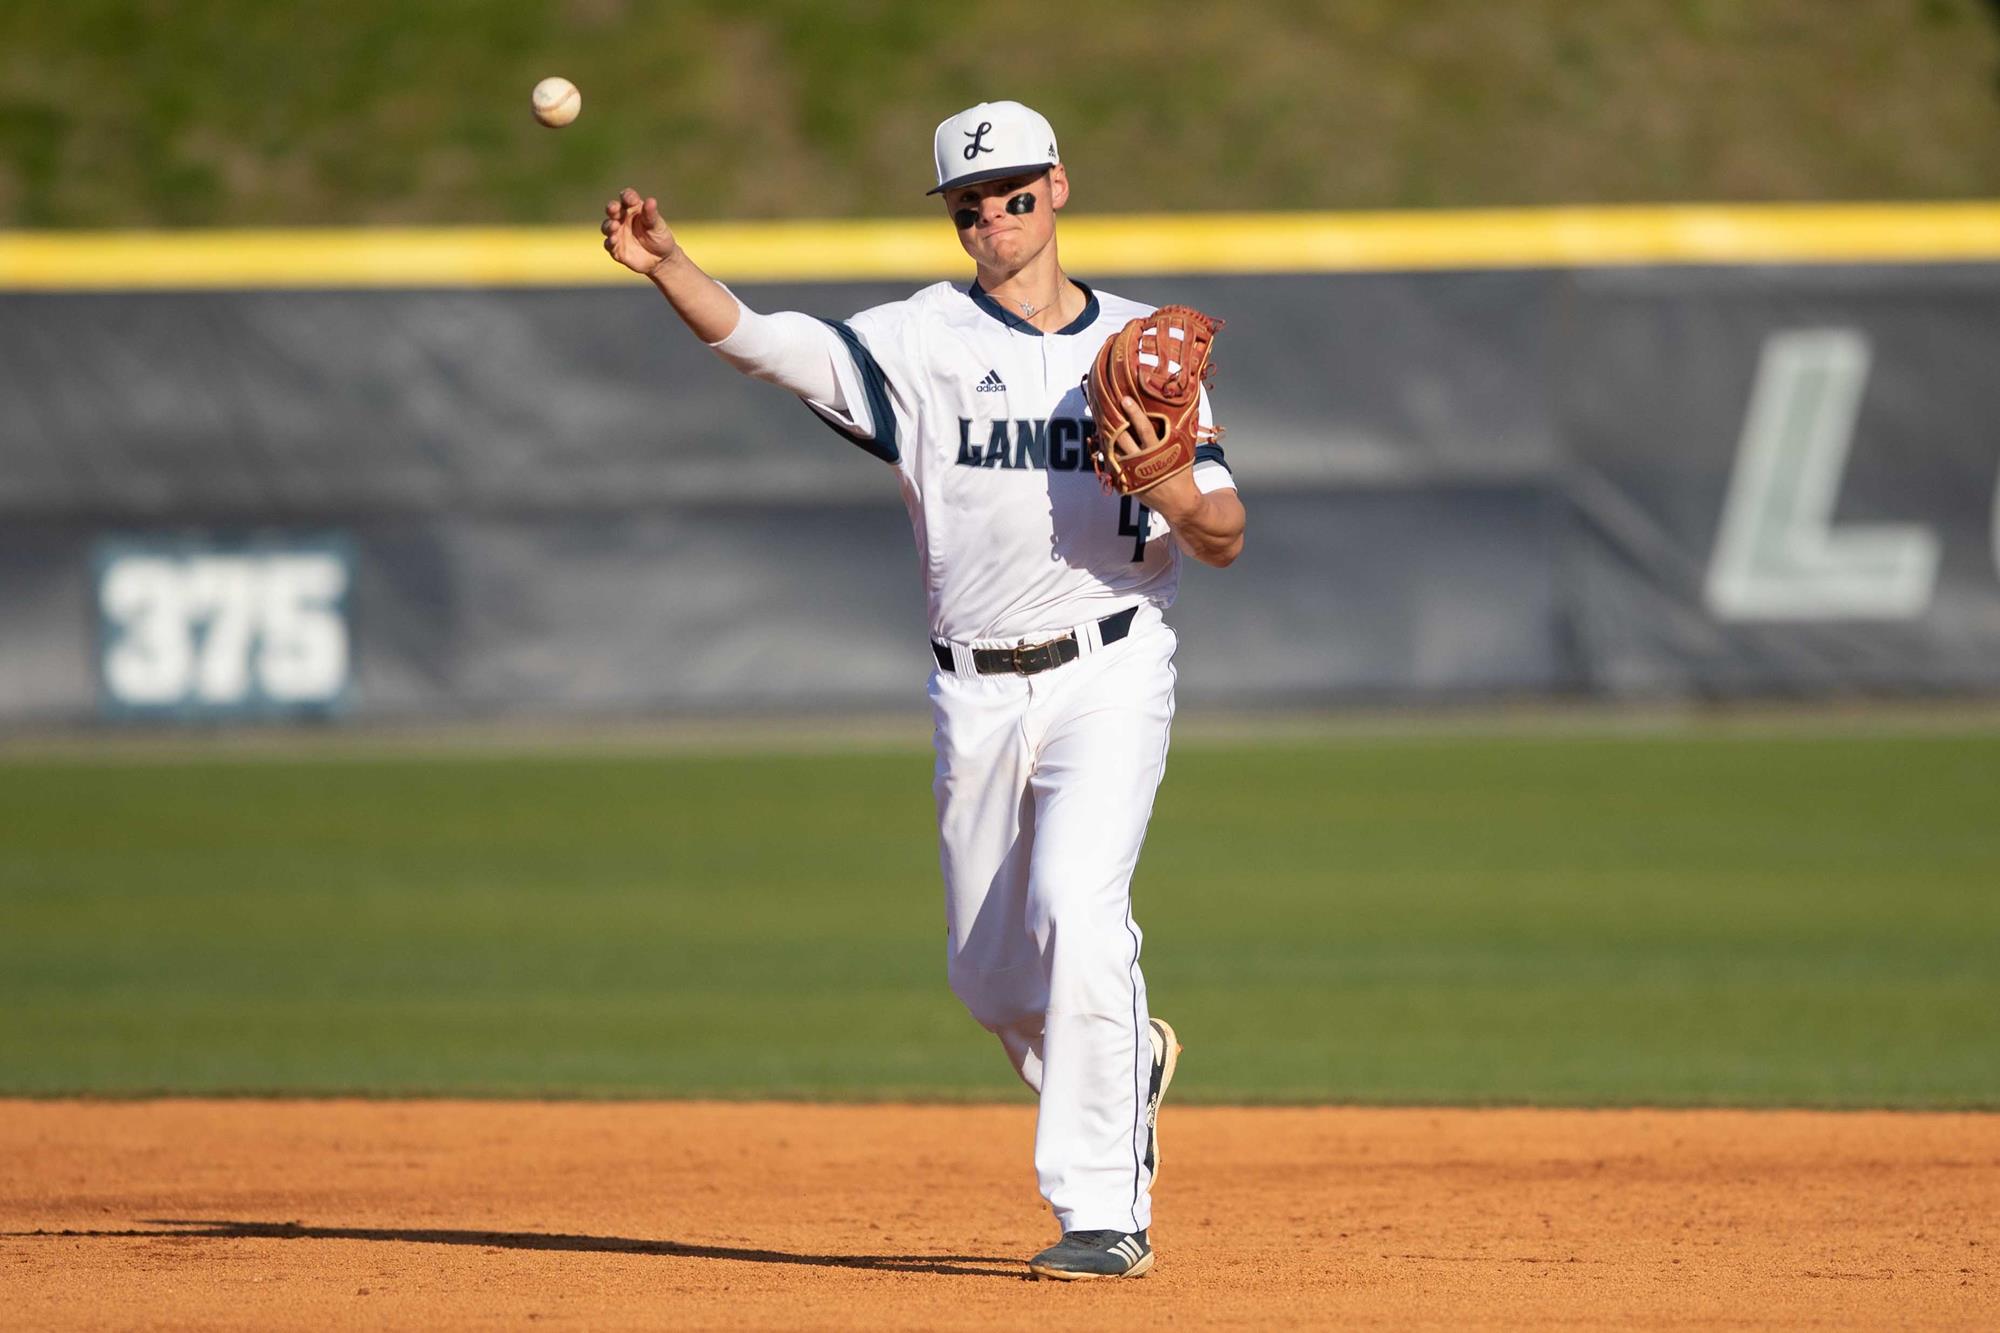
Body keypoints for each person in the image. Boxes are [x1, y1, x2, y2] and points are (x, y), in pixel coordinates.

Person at [601, 99, 1245, 1281]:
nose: (991, 217)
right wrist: (669, 265)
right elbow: (764, 342)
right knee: (991, 979)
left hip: (1109, 661)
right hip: (974, 688)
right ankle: (1120, 1057)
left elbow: (1222, 535)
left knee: (1078, 912)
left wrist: (1170, 487)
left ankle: (1104, 1213)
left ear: (1056, 188)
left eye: (1010, 192)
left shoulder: (1144, 347)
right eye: (968, 204)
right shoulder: (918, 340)